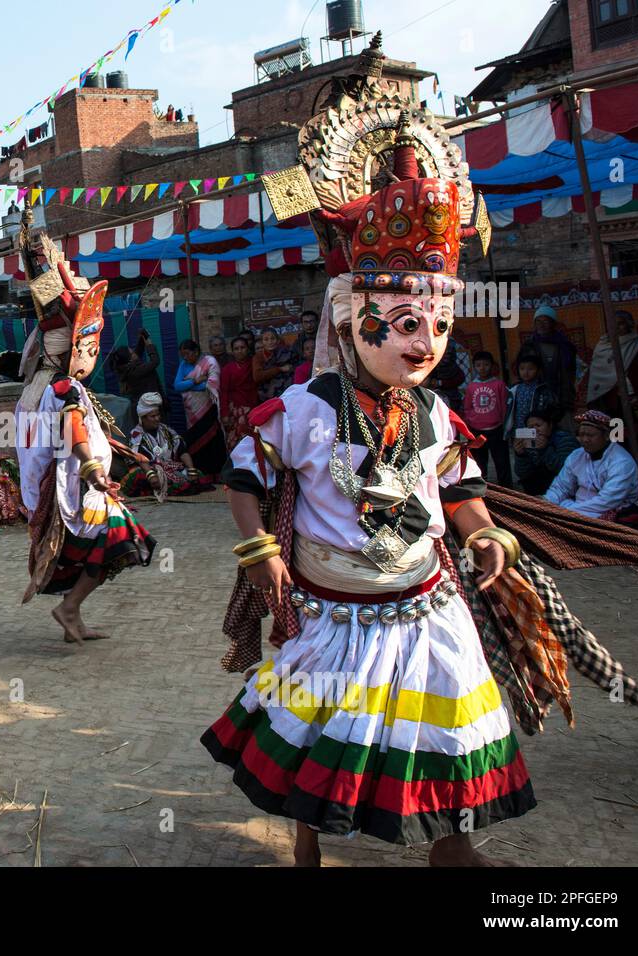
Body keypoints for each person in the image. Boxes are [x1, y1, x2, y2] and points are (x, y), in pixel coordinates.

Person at [204, 103, 557, 868]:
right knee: (319, 737)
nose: (422, 343)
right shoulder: (301, 409)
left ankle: (451, 851)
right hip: (336, 615)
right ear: (354, 317)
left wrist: (485, 532)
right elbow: (242, 474)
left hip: (428, 604)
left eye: (435, 324)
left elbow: (458, 483)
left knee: (447, 728)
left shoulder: (435, 411)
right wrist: (260, 547)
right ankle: (306, 845)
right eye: (400, 323)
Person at [15, 221, 155, 644]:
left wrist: (118, 451)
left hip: (65, 486)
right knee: (124, 540)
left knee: (103, 546)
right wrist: (94, 467)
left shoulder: (35, 392)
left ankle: (71, 611)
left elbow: (70, 430)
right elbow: (73, 428)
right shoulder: (63, 387)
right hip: (79, 486)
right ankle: (70, 607)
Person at [545, 410, 638, 521]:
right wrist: (546, 501)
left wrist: (566, 511)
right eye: (581, 435)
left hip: (611, 512)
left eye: (590, 435)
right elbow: (561, 487)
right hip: (576, 509)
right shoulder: (577, 455)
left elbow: (606, 502)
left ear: (606, 436)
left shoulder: (622, 462)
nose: (585, 440)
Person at [588, 310, 638, 441]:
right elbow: (598, 377)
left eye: (621, 324)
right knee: (617, 438)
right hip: (613, 405)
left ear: (629, 325)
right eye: (613, 324)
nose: (616, 327)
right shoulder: (603, 347)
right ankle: (619, 460)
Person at [121, 392, 211, 497]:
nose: (157, 418)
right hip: (149, 469)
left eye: (158, 415)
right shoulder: (136, 435)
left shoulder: (166, 430)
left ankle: (172, 484)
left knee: (197, 474)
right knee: (139, 476)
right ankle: (166, 485)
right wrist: (151, 475)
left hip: (170, 467)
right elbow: (138, 458)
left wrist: (191, 469)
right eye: (152, 416)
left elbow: (182, 451)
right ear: (143, 418)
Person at [173, 339, 227, 475]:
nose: (185, 357)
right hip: (192, 411)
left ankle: (217, 471)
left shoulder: (209, 362)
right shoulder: (184, 364)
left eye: (187, 354)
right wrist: (195, 380)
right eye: (182, 355)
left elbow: (211, 385)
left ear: (196, 352)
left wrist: (189, 384)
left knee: (213, 438)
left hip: (208, 407)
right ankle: (200, 470)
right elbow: (177, 386)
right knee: (195, 439)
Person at [464, 351, 511, 488]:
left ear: (492, 366)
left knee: (502, 462)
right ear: (474, 367)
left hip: (497, 429)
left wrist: (503, 425)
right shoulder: (471, 386)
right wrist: (471, 423)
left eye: (486, 364)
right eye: (478, 365)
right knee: (479, 463)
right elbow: (467, 407)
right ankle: (482, 489)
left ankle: (506, 489)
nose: (482, 368)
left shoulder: (499, 384)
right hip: (477, 430)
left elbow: (503, 406)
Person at [522, 305, 576, 412]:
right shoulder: (529, 346)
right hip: (536, 394)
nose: (541, 325)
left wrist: (567, 399)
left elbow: (569, 375)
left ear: (553, 324)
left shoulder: (564, 346)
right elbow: (523, 370)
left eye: (545, 321)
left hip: (560, 393)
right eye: (538, 321)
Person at [109, 329, 164, 431]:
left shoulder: (127, 368)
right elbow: (155, 361)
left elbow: (138, 351)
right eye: (132, 353)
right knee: (154, 434)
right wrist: (149, 343)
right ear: (130, 359)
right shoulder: (134, 371)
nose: (134, 352)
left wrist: (142, 339)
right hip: (149, 409)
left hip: (145, 407)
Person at [513, 410, 579, 496]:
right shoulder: (529, 442)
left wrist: (545, 449)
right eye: (531, 427)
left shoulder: (564, 439)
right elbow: (522, 474)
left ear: (550, 425)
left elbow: (565, 470)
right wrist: (520, 455)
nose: (535, 430)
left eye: (538, 425)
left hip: (563, 489)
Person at [506, 352, 557, 444]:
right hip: (519, 428)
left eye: (530, 369)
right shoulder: (515, 389)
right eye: (522, 369)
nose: (526, 372)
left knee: (535, 450)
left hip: (535, 428)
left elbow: (548, 409)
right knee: (520, 450)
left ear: (538, 370)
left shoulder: (542, 389)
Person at [220, 336, 258, 447]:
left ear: (248, 349)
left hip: (253, 406)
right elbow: (224, 392)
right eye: (236, 348)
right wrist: (225, 413)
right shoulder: (227, 369)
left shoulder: (254, 364)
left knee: (253, 440)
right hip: (235, 411)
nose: (240, 351)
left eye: (242, 347)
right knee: (236, 442)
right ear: (232, 351)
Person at [252, 327, 295, 400]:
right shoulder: (258, 357)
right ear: (262, 342)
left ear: (278, 340)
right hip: (267, 393)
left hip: (287, 392)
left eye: (273, 339)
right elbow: (257, 376)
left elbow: (293, 368)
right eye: (266, 339)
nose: (270, 342)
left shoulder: (287, 353)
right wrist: (279, 369)